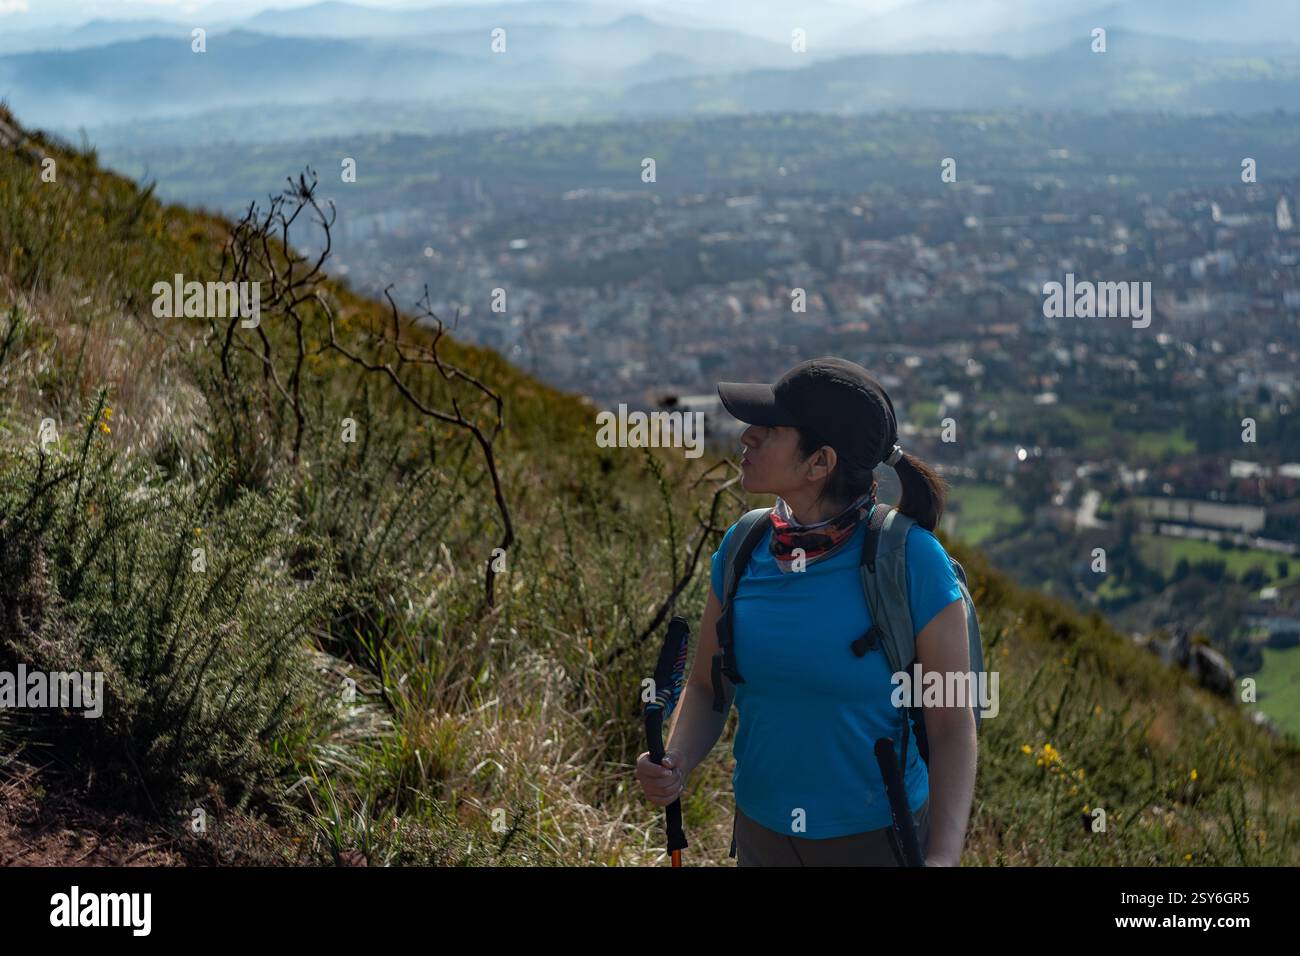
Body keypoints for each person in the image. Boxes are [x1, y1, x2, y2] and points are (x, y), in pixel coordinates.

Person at [635, 357, 977, 866]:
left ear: (820, 462)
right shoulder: (744, 546)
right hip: (760, 837)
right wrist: (678, 760)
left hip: (878, 843)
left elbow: (952, 726)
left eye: (769, 429)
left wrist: (943, 858)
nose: (747, 436)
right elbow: (708, 686)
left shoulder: (911, 563)